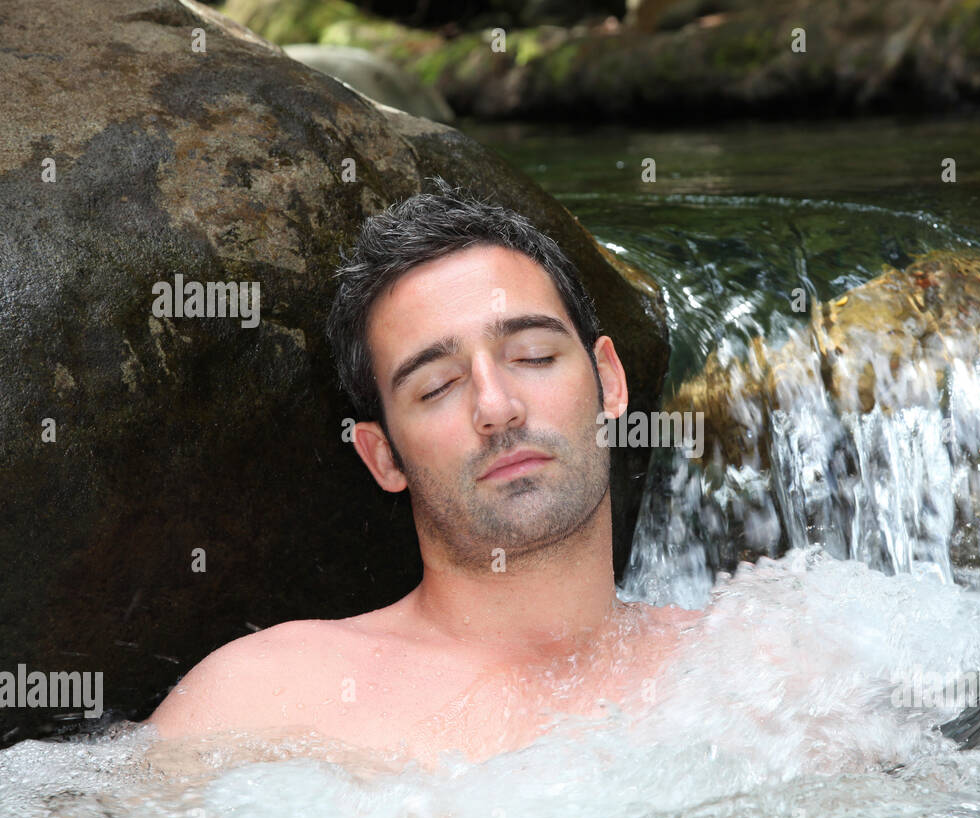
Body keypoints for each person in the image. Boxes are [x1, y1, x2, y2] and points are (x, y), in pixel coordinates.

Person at [146, 181, 700, 769]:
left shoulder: (756, 666)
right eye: (436, 386)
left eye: (534, 355)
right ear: (383, 457)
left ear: (610, 382)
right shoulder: (261, 703)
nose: (496, 407)